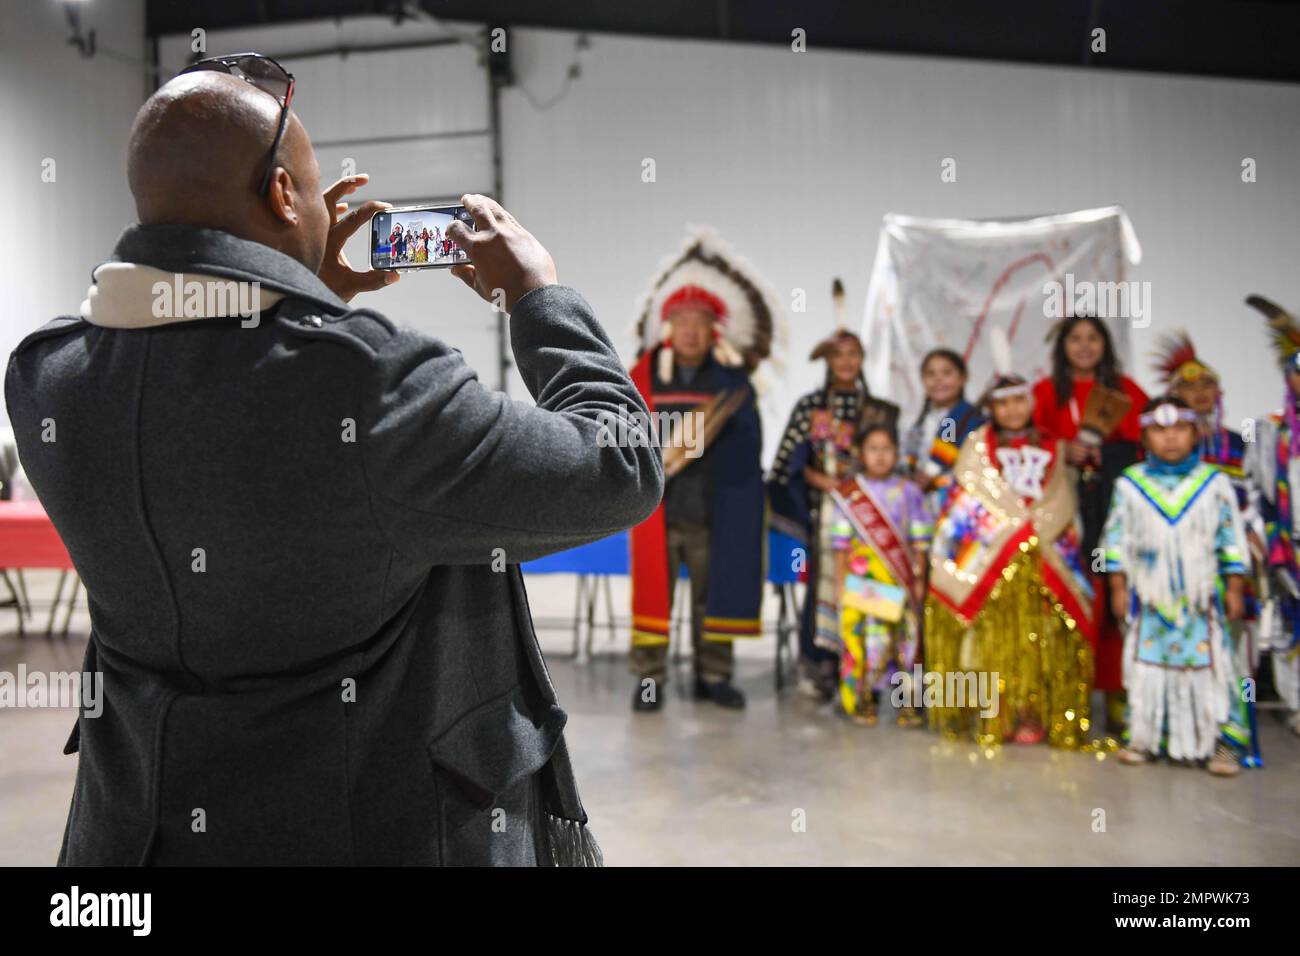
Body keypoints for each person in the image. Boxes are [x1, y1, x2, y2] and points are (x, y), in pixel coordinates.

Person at [4, 63, 663, 866]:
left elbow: (220, 401)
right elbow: (620, 467)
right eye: (314, 191)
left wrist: (303, 295)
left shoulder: (49, 375)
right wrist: (536, 297)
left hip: (138, 836)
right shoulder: (375, 383)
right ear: (283, 195)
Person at [627, 229, 776, 712]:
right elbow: (623, 435)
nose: (690, 330)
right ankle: (649, 679)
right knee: (654, 593)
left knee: (713, 594)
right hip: (657, 510)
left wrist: (709, 446)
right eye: (681, 321)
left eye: (700, 322)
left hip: (712, 510)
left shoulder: (733, 386)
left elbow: (750, 449)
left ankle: (714, 675)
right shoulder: (642, 380)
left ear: (714, 328)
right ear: (668, 326)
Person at [928, 356, 1095, 747]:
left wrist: (1031, 531)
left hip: (1040, 560)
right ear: (991, 408)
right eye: (1002, 403)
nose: (1012, 410)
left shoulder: (1054, 447)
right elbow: (966, 498)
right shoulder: (975, 445)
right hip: (994, 560)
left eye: (1019, 400)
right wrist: (1011, 529)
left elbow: (1062, 501)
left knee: (1040, 640)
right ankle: (993, 711)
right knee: (992, 640)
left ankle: (1032, 711)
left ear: (1031, 404)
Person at [768, 279, 899, 701]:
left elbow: (889, 459)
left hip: (868, 512)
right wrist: (820, 479)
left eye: (853, 354)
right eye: (838, 354)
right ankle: (820, 664)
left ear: (862, 359)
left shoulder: (876, 410)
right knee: (823, 584)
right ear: (827, 359)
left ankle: (867, 666)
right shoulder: (810, 406)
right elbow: (788, 461)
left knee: (869, 582)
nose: (845, 361)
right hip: (821, 512)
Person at [1104, 397, 1250, 775]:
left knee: (1213, 666)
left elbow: (1230, 537)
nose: (1170, 439)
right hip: (1149, 598)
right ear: (1145, 436)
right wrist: (1118, 588)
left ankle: (1222, 742)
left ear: (1195, 433)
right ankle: (1148, 736)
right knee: (1146, 665)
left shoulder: (1214, 483)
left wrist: (1234, 588)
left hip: (1201, 599)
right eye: (1159, 431)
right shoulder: (1130, 483)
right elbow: (1114, 540)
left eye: (1180, 429)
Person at [1032, 314, 1147, 731]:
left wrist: (1107, 456)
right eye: (1075, 339)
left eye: (1092, 338)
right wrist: (1064, 449)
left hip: (1113, 512)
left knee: (1115, 596)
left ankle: (1119, 693)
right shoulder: (1046, 393)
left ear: (1105, 346)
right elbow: (1030, 442)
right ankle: (1068, 695)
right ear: (1062, 347)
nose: (1083, 346)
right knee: (1067, 598)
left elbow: (1147, 444)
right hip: (1064, 513)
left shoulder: (1126, 391)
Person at [1154, 331, 1263, 764]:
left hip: (1228, 566)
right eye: (1187, 387)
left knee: (1232, 656)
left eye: (1206, 386)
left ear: (1219, 392)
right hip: (1178, 570)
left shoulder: (1239, 445)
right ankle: (1182, 734)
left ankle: (1233, 740)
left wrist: (1251, 535)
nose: (1198, 394)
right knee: (1177, 650)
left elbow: (1254, 500)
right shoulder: (1168, 450)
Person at [829, 423, 931, 725]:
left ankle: (910, 701)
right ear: (860, 453)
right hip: (863, 580)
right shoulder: (850, 494)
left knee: (907, 640)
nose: (880, 456)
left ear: (897, 453)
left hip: (899, 575)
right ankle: (865, 697)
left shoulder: (909, 491)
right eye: (873, 449)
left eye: (886, 449)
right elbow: (840, 543)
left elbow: (920, 540)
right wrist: (838, 582)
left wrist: (920, 579)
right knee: (868, 639)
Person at [1244, 294, 1300, 738]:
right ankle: (1297, 705)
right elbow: (1257, 488)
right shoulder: (1271, 432)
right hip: (1290, 544)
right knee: (1287, 629)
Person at [900, 347, 984, 514]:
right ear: (922, 380)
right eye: (930, 374)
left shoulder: (963, 418)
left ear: (963, 377)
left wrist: (931, 477)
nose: (938, 380)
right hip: (919, 504)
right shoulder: (916, 420)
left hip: (958, 505)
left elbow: (950, 451)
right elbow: (908, 457)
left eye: (946, 373)